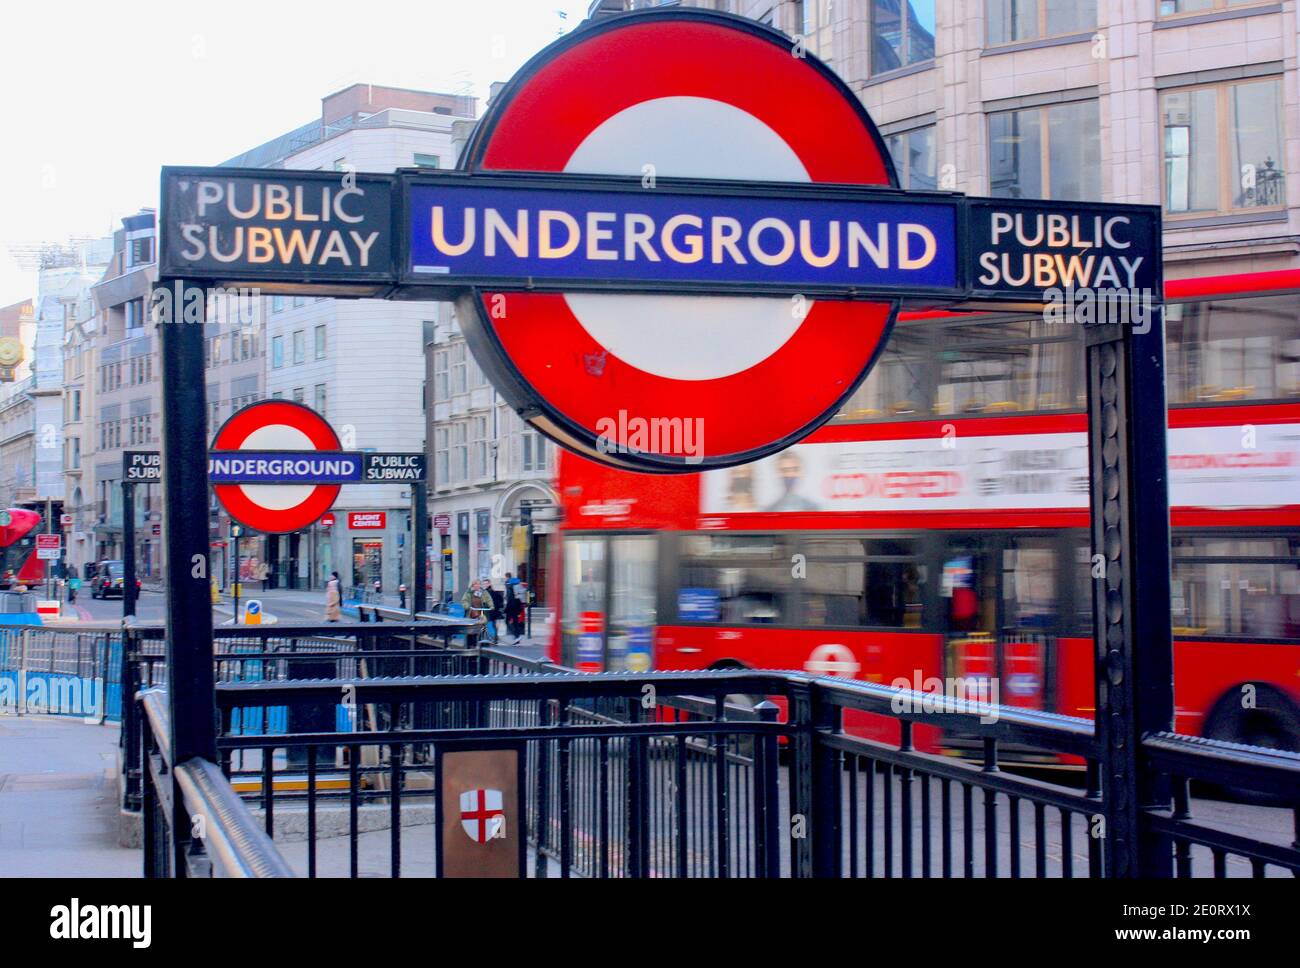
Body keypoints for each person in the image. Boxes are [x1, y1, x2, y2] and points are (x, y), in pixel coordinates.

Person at [461, 579, 489, 645]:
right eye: (476, 584)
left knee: (480, 628)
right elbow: (464, 601)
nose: (477, 586)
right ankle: (470, 644)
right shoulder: (468, 592)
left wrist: (486, 605)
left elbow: (485, 601)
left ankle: (479, 643)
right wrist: (468, 606)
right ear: (473, 585)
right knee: (471, 629)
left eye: (479, 584)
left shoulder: (482, 592)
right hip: (470, 614)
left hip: (480, 613)